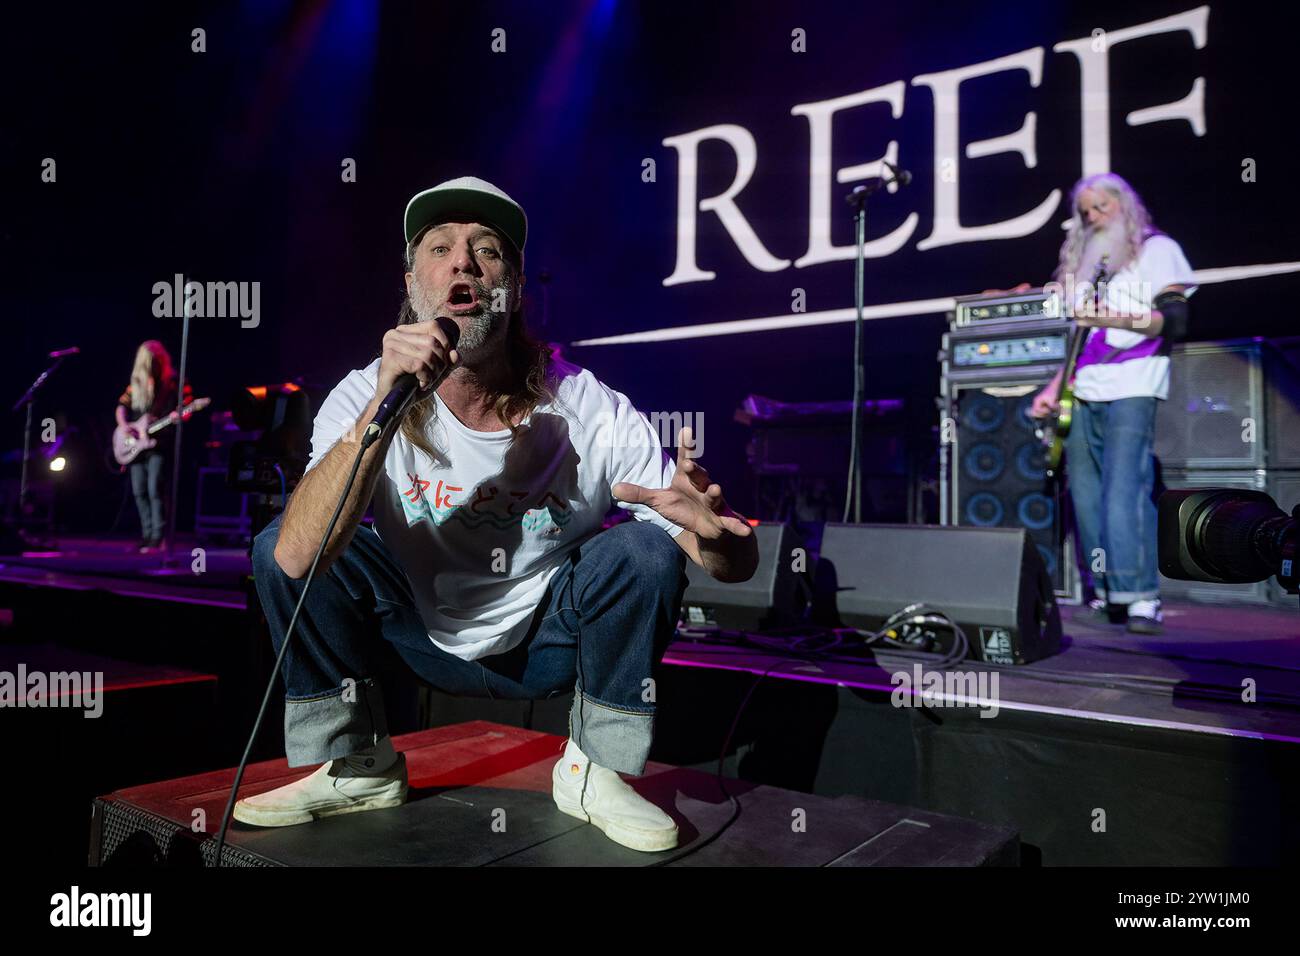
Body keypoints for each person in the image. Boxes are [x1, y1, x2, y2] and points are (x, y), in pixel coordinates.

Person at [234, 177, 759, 852]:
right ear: (413, 282)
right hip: (417, 632)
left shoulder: (587, 405)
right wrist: (381, 409)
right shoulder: (366, 393)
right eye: (441, 248)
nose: (463, 262)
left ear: (512, 287)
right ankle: (360, 763)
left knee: (644, 551)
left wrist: (717, 538)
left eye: (487, 251)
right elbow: (296, 560)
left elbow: (728, 562)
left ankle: (594, 767)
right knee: (284, 535)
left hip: (545, 640)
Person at [1029, 173, 1195, 635]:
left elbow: (1176, 320)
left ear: (1125, 205)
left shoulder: (1157, 250)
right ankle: (1106, 590)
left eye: (1102, 207)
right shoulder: (1086, 266)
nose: (1094, 217)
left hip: (1134, 382)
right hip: (1084, 388)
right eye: (1086, 211)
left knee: (1124, 490)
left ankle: (1140, 596)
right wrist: (1053, 387)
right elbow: (1081, 339)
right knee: (1085, 495)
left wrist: (1111, 316)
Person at [116, 340, 185, 553]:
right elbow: (120, 407)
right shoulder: (135, 384)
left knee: (155, 487)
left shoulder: (173, 383)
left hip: (159, 442)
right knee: (139, 490)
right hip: (136, 445)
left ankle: (158, 536)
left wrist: (178, 415)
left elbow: (187, 404)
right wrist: (124, 426)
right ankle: (147, 535)